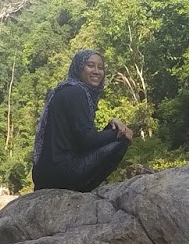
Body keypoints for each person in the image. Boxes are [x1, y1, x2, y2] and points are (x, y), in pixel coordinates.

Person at [30, 49, 133, 192]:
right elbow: (87, 141)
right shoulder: (76, 93)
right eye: (90, 65)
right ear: (79, 68)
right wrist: (121, 133)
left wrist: (112, 126)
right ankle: (83, 191)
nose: (96, 71)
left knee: (116, 134)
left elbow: (82, 138)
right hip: (61, 172)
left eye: (100, 67)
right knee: (122, 141)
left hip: (47, 172)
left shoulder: (67, 90)